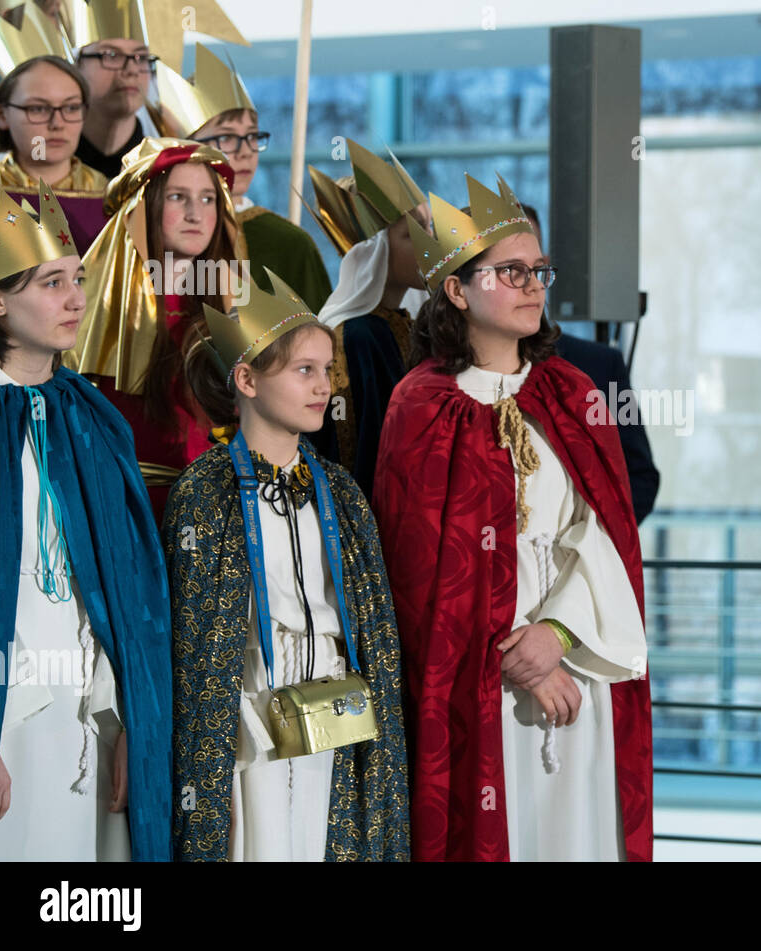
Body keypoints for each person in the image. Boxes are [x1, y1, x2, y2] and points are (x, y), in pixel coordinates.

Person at [375, 174, 652, 861]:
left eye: (539, 269)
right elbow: (415, 575)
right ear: (457, 290)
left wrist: (557, 634)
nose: (533, 283)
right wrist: (519, 656)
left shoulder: (572, 391)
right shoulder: (419, 404)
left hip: (577, 663)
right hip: (480, 680)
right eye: (511, 271)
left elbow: (605, 533)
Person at [166, 271, 409, 861]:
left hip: (334, 720)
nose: (323, 385)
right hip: (246, 723)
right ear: (246, 379)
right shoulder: (205, 491)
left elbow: (373, 629)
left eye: (327, 370)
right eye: (304, 370)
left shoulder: (342, 494)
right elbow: (195, 640)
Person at [0, 179, 171, 862]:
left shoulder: (92, 416)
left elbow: (131, 585)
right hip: (8, 711)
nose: (75, 299)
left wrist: (132, 718)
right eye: (50, 283)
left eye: (78, 279)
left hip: (89, 713)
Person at [67, 136, 244, 521]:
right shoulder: (99, 305)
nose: (196, 214)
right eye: (178, 197)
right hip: (127, 504)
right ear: (142, 206)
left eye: (208, 198)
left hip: (221, 504)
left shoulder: (236, 299)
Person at [156, 43, 333, 314]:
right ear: (187, 146)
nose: (246, 152)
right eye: (226, 137)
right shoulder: (160, 232)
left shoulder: (290, 244)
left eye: (252, 136)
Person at [306, 139, 429, 501]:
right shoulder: (357, 336)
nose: (430, 244)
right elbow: (364, 452)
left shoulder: (403, 322)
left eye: (431, 229)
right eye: (412, 234)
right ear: (373, 252)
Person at [520, 205, 661, 524]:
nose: (526, 283)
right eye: (510, 268)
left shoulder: (599, 365)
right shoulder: (440, 382)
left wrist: (585, 551)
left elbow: (639, 479)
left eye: (534, 266)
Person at [0, 55, 109, 252]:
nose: (57, 124)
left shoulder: (112, 200)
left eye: (71, 108)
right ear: (1, 115)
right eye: (38, 109)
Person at [68, 0, 156, 179]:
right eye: (111, 55)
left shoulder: (165, 169)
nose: (131, 69)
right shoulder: (42, 167)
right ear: (75, 65)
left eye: (140, 57)